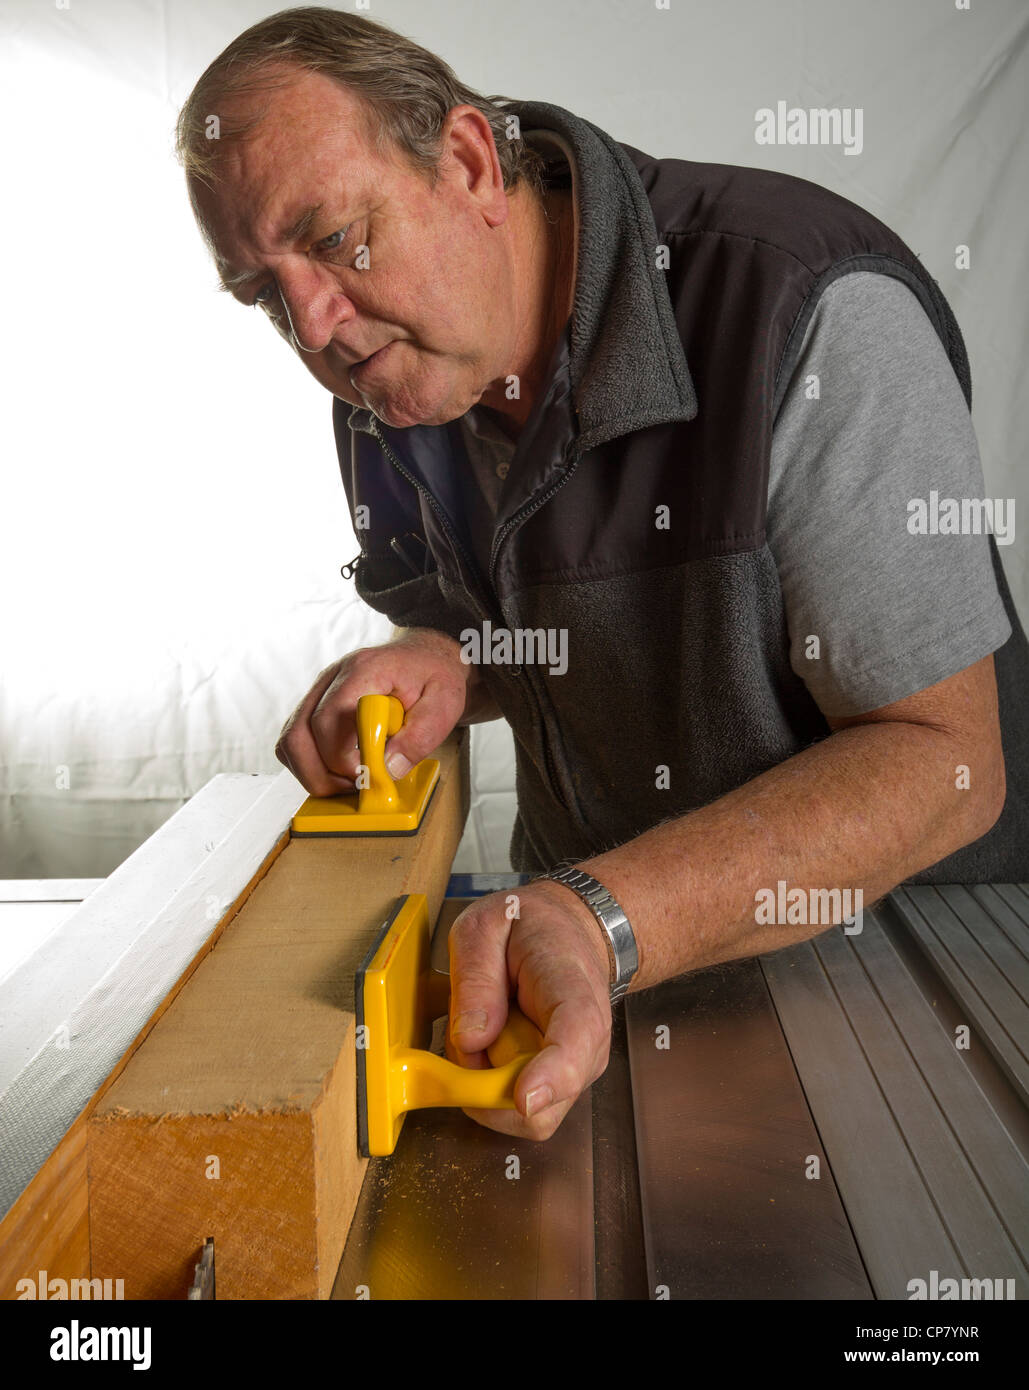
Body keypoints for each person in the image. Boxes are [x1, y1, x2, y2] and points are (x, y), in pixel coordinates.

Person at [176, 8, 1028, 1142]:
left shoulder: (806, 312)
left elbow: (946, 763)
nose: (315, 326)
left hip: (916, 972)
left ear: (472, 161)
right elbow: (496, 630)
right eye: (263, 294)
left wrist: (603, 917)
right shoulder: (388, 379)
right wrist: (443, 659)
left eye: (336, 238)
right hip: (594, 964)